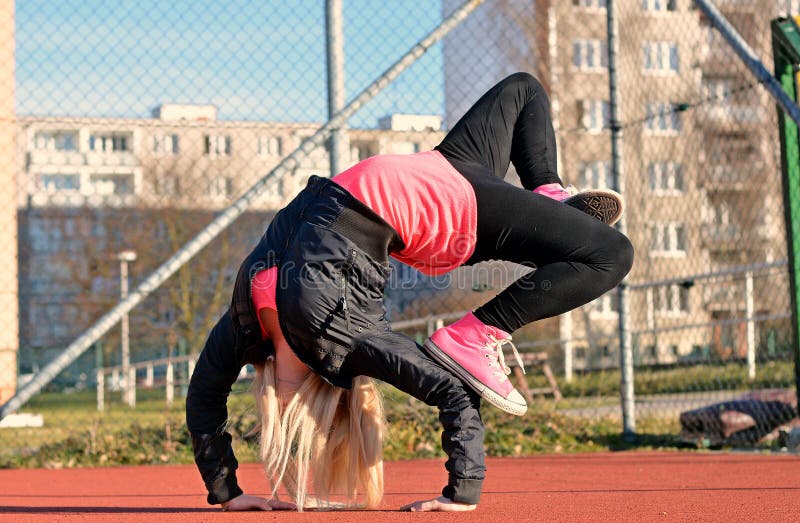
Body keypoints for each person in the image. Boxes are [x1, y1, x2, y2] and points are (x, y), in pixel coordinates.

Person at [185, 72, 634, 512]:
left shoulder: (246, 326)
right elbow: (452, 391)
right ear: (321, 399)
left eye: (276, 408)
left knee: (522, 90)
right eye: (285, 410)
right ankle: (479, 333)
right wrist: (463, 489)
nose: (276, 403)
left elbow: (203, 394)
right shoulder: (345, 345)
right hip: (447, 213)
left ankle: (550, 195)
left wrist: (226, 490)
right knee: (610, 255)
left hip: (435, 169)